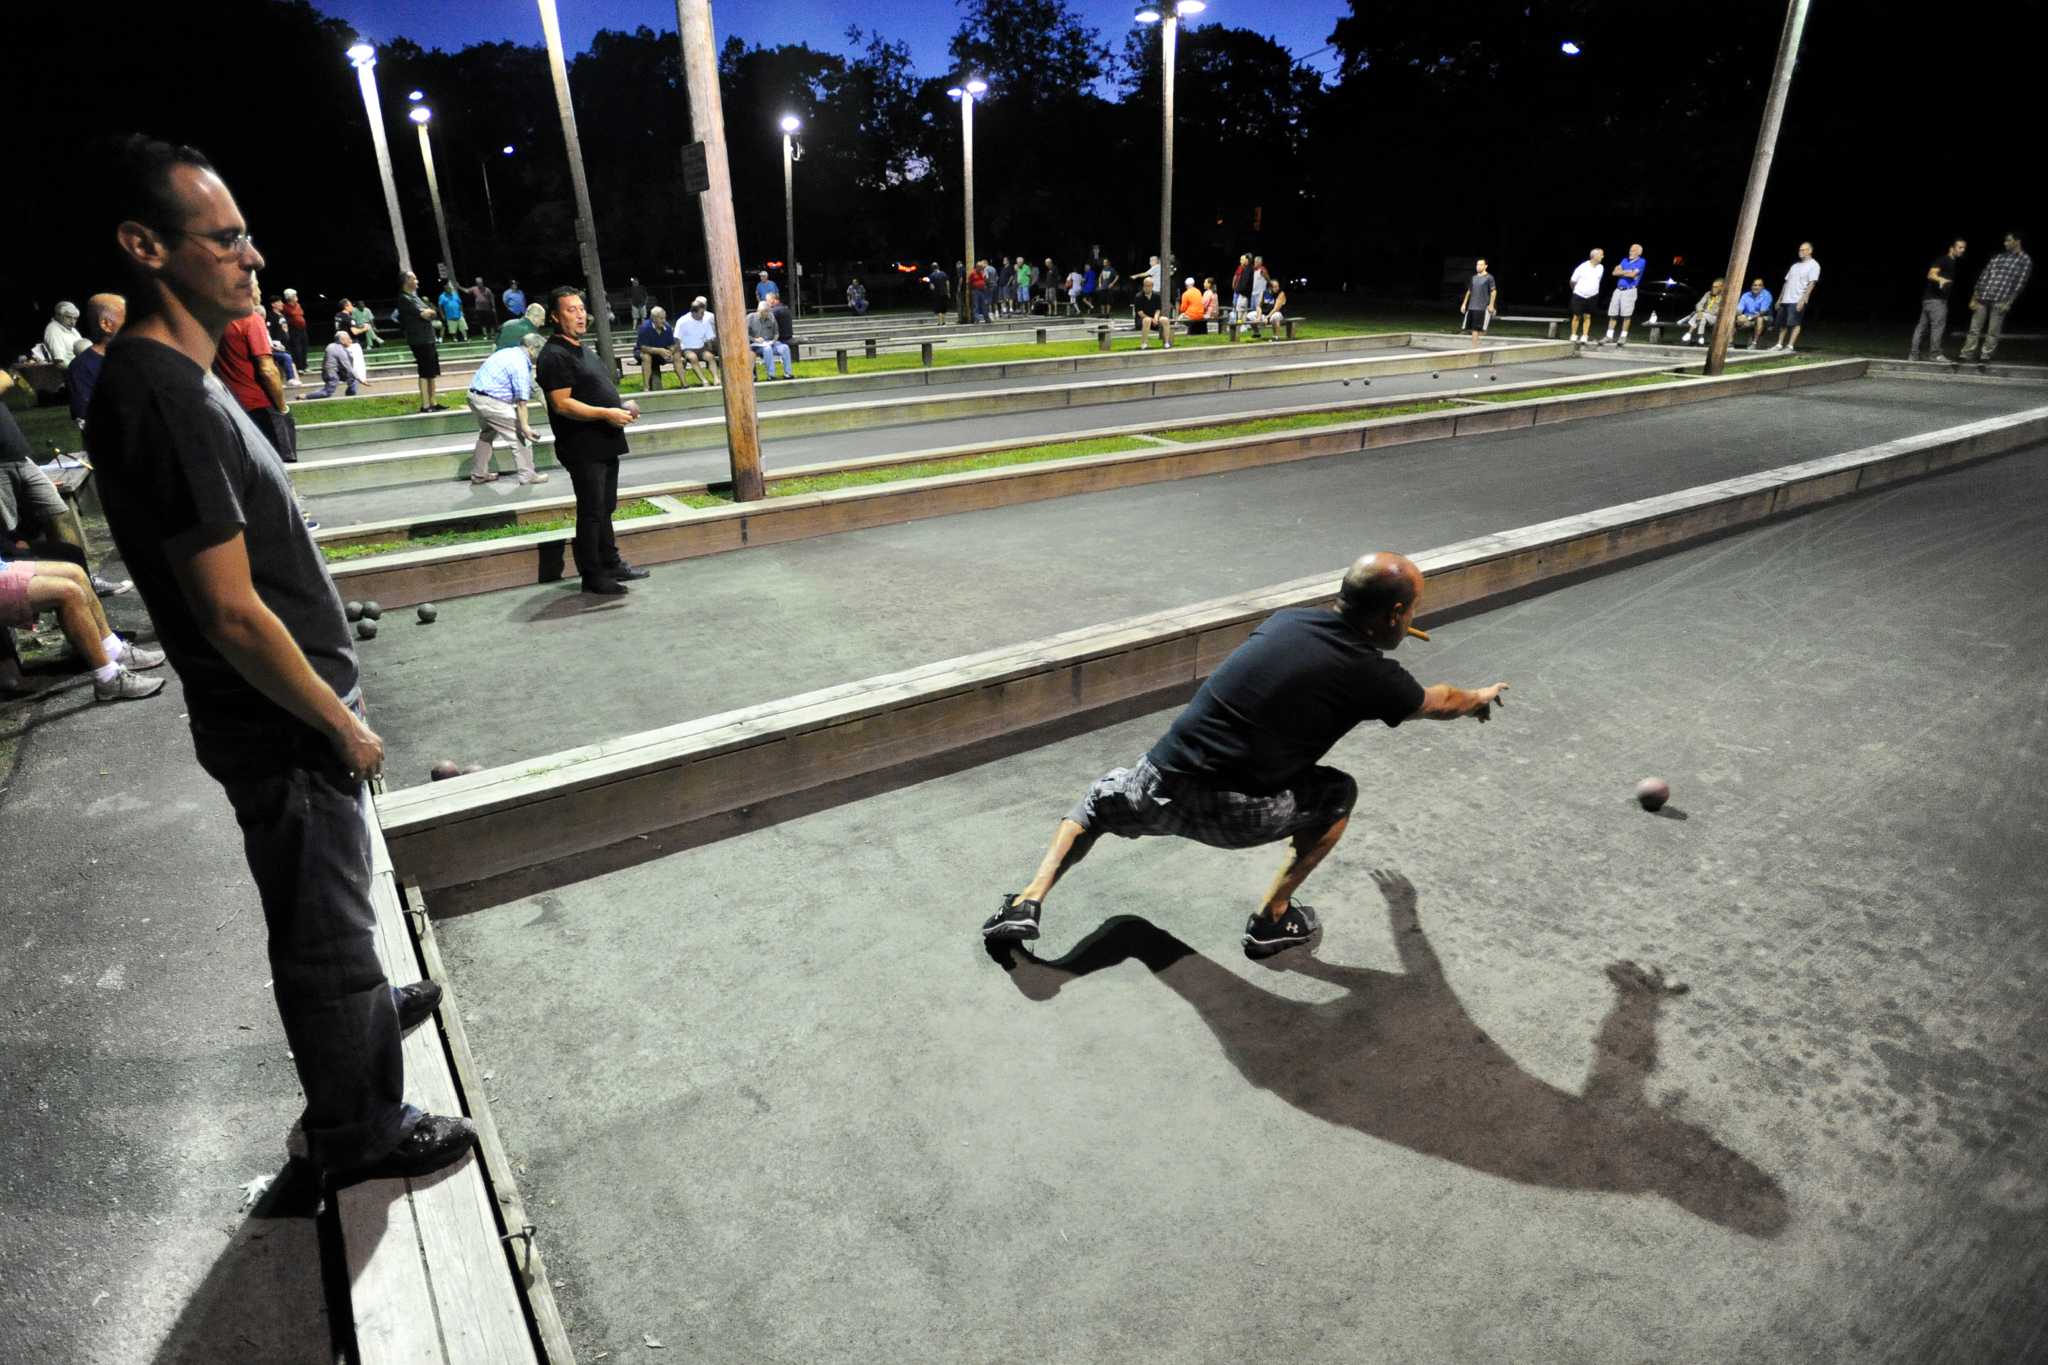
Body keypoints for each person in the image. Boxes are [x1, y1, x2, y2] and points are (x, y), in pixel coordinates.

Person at [90, 133, 474, 1183]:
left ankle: (355, 1018)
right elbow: (229, 613)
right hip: (282, 722)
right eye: (224, 240)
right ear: (146, 247)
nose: (252, 258)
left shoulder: (180, 380)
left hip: (284, 712)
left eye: (249, 236)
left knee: (331, 909)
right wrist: (339, 720)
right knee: (320, 927)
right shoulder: (162, 395)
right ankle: (360, 1130)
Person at [983, 552, 1508, 958]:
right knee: (1338, 792)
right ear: (1396, 614)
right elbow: (1439, 702)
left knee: (1097, 803)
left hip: (1155, 785)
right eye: (1412, 608)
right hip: (1235, 815)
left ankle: (1028, 899)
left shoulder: (1286, 622)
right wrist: (1478, 698)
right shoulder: (1373, 674)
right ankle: (1272, 920)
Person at [537, 285, 643, 595]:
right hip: (582, 446)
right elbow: (562, 403)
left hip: (604, 441)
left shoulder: (581, 348)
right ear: (556, 317)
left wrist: (620, 408)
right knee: (592, 510)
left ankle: (611, 563)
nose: (580, 314)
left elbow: (592, 390)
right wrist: (605, 414)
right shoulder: (554, 355)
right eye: (571, 310)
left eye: (581, 308)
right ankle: (593, 575)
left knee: (605, 507)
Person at [216, 275, 296, 465]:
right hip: (260, 404)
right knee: (279, 465)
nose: (260, 291)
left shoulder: (216, 320)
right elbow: (267, 370)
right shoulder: (251, 319)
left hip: (230, 403)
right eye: (258, 286)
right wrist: (282, 406)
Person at [465, 331, 548, 486]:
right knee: (520, 436)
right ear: (532, 348)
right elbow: (522, 402)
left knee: (487, 433)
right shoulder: (521, 364)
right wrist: (525, 427)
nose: (540, 357)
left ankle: (479, 474)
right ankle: (528, 475)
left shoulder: (507, 352)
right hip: (491, 401)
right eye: (540, 352)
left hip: (474, 395)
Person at [1960, 231, 2032, 369]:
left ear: (2017, 241)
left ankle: (1985, 356)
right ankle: (1966, 354)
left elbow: (2019, 285)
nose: (2005, 243)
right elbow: (1983, 277)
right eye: (2005, 241)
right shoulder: (1998, 257)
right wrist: (1973, 298)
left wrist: (2009, 302)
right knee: (1974, 328)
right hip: (1983, 297)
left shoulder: (2025, 260)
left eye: (2008, 241)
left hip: (2001, 299)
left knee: (1993, 331)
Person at [69, 293, 127, 429]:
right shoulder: (82, 367)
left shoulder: (140, 357)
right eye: (127, 318)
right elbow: (86, 417)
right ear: (106, 324)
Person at [1908, 239, 1966, 363]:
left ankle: (1913, 355)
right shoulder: (1945, 260)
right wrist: (1940, 279)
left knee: (1921, 327)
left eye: (1964, 248)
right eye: (1960, 247)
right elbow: (1931, 274)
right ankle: (1935, 354)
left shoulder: (1950, 262)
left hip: (1928, 300)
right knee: (1937, 327)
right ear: (1952, 248)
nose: (1962, 250)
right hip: (1937, 301)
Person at [396, 270, 441, 411]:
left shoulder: (415, 298)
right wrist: (428, 312)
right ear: (406, 281)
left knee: (432, 371)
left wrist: (430, 312)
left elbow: (432, 312)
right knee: (424, 371)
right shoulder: (404, 298)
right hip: (419, 339)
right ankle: (426, 404)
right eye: (414, 279)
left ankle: (433, 402)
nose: (417, 281)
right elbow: (425, 314)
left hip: (428, 338)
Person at [1768, 241, 1820, 352]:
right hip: (1786, 298)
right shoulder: (1795, 266)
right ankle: (1779, 344)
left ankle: (1790, 346)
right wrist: (1779, 299)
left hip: (1797, 299)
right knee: (1783, 323)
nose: (1800, 251)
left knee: (1795, 323)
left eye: (1803, 249)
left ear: (1810, 251)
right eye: (1800, 249)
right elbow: (1786, 283)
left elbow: (1812, 283)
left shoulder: (1814, 265)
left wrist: (1803, 299)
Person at [1601, 243, 1646, 346]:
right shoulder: (1624, 260)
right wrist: (1627, 272)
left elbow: (1633, 274)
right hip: (1618, 290)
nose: (1631, 252)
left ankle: (1623, 336)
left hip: (1629, 290)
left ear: (1639, 252)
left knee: (1626, 315)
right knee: (1613, 314)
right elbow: (1614, 273)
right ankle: (1609, 336)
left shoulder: (1641, 261)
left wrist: (1622, 272)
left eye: (1634, 250)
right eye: (1630, 250)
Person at [303, 328, 363, 400]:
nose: (350, 340)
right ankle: (305, 396)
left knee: (352, 379)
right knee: (327, 393)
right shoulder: (339, 349)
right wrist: (360, 379)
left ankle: (350, 396)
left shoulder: (334, 346)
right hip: (332, 374)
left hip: (334, 372)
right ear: (342, 340)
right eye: (348, 338)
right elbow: (348, 366)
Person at [674, 296, 720, 387]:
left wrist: (712, 346)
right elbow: (676, 338)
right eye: (701, 313)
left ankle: (716, 378)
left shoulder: (705, 321)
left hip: (701, 347)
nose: (703, 315)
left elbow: (710, 337)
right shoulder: (682, 321)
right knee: (693, 358)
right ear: (694, 312)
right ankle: (704, 381)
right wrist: (679, 352)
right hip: (687, 348)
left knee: (710, 357)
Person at [1567, 247, 1605, 349]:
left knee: (1587, 316)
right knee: (1576, 316)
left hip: (1592, 296)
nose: (1602, 256)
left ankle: (1584, 336)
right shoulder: (1582, 267)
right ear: (1594, 256)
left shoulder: (1601, 268)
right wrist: (1576, 290)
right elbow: (1572, 281)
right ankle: (1574, 335)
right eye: (1601, 254)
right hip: (1579, 294)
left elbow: (1597, 280)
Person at [635, 305, 679, 391]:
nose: (664, 321)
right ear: (654, 319)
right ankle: (646, 387)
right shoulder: (644, 328)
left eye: (664, 318)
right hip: (643, 352)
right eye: (661, 318)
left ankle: (684, 384)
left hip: (662, 352)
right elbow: (643, 348)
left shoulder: (667, 327)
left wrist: (670, 351)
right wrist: (659, 350)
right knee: (646, 357)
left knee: (677, 355)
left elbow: (672, 344)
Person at [748, 298, 792, 380]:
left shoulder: (771, 316)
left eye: (767, 311)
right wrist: (755, 339)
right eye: (763, 312)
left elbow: (776, 333)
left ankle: (788, 374)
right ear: (758, 310)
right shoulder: (750, 317)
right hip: (756, 345)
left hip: (771, 343)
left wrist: (774, 340)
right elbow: (744, 334)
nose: (765, 314)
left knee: (785, 347)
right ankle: (771, 375)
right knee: (767, 349)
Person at [1460, 258, 1497, 347]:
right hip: (1472, 306)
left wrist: (1491, 305)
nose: (1478, 266)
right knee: (1472, 329)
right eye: (1477, 264)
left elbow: (1494, 291)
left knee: (1480, 329)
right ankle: (1475, 348)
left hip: (1482, 307)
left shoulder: (1489, 277)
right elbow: (1469, 291)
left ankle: (1477, 348)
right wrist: (1464, 304)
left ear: (1485, 266)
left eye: (1480, 265)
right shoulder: (1473, 278)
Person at [1679, 277, 1726, 346]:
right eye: (1713, 286)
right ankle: (1700, 338)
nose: (1713, 288)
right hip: (1703, 316)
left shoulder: (1724, 296)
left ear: (1721, 287)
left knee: (1701, 315)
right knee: (1702, 318)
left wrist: (1703, 312)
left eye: (1716, 287)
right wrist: (1700, 310)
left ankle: (1689, 333)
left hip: (1715, 318)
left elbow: (1718, 311)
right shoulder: (1708, 294)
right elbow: (1699, 304)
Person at [43, 301, 88, 367]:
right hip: (72, 372)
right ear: (58, 315)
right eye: (68, 317)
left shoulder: (72, 329)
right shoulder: (53, 330)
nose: (72, 322)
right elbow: (60, 363)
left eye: (75, 318)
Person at [1732, 278, 1773, 349]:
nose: (1757, 287)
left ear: (1763, 287)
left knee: (1760, 319)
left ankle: (1754, 343)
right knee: (1731, 318)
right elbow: (1739, 310)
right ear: (1751, 286)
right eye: (1755, 285)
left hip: (1765, 317)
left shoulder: (1766, 295)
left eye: (1759, 285)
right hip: (1748, 317)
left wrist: (1748, 319)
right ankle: (1730, 342)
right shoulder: (1746, 295)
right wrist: (1739, 316)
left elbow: (1762, 312)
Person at [1132, 277, 1172, 349]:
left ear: (1152, 286)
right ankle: (1144, 343)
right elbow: (1140, 313)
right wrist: (1151, 319)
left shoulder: (1156, 296)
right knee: (1147, 320)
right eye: (1145, 286)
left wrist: (1156, 318)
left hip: (1154, 319)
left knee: (1165, 319)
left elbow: (1158, 309)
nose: (1147, 287)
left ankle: (1166, 343)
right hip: (1141, 320)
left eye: (1149, 286)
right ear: (1143, 286)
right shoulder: (1138, 296)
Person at [280, 288, 309, 371]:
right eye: (294, 295)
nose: (296, 296)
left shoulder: (298, 305)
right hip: (294, 330)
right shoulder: (285, 307)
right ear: (290, 297)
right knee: (297, 349)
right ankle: (299, 367)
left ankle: (305, 366)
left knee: (304, 347)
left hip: (302, 329)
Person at [1230, 253, 1253, 323]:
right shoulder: (1246, 268)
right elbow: (1236, 277)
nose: (1242, 261)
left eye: (1244, 259)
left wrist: (1239, 290)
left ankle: (1240, 323)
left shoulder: (1248, 269)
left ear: (1247, 260)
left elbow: (1245, 282)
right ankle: (1243, 324)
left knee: (1240, 308)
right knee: (1242, 309)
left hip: (1243, 293)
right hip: (1243, 293)